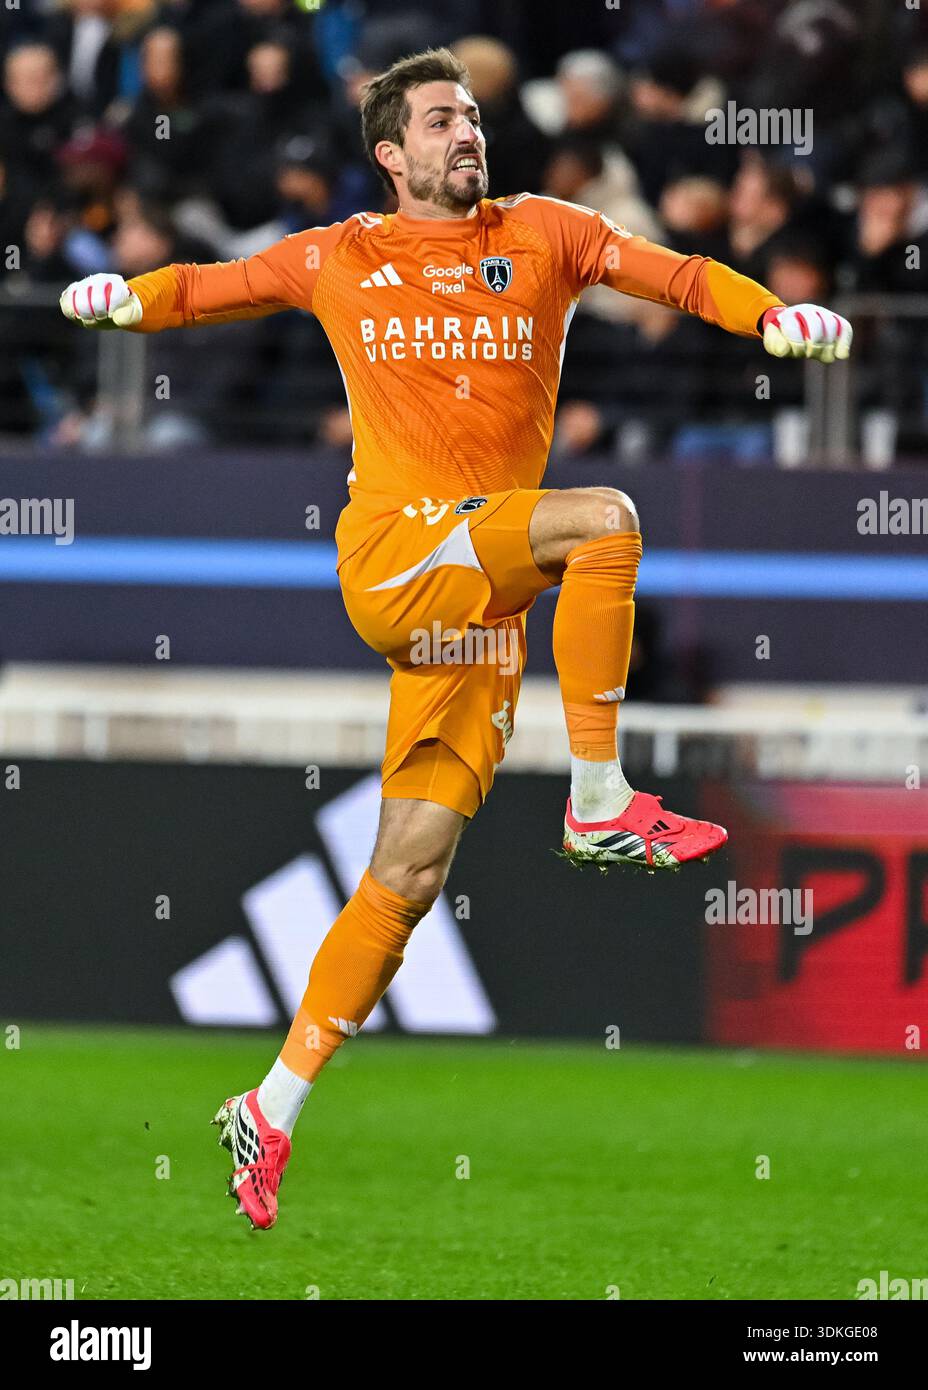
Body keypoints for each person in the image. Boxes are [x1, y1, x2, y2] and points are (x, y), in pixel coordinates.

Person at [59, 47, 852, 1232]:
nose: (466, 131)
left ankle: (268, 1106)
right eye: (440, 119)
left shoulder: (547, 232)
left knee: (409, 871)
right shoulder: (341, 253)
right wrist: (124, 299)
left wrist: (771, 313)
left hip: (478, 606)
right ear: (391, 153)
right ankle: (597, 799)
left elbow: (681, 275)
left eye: (472, 114)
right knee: (607, 522)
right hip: (398, 555)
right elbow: (214, 287)